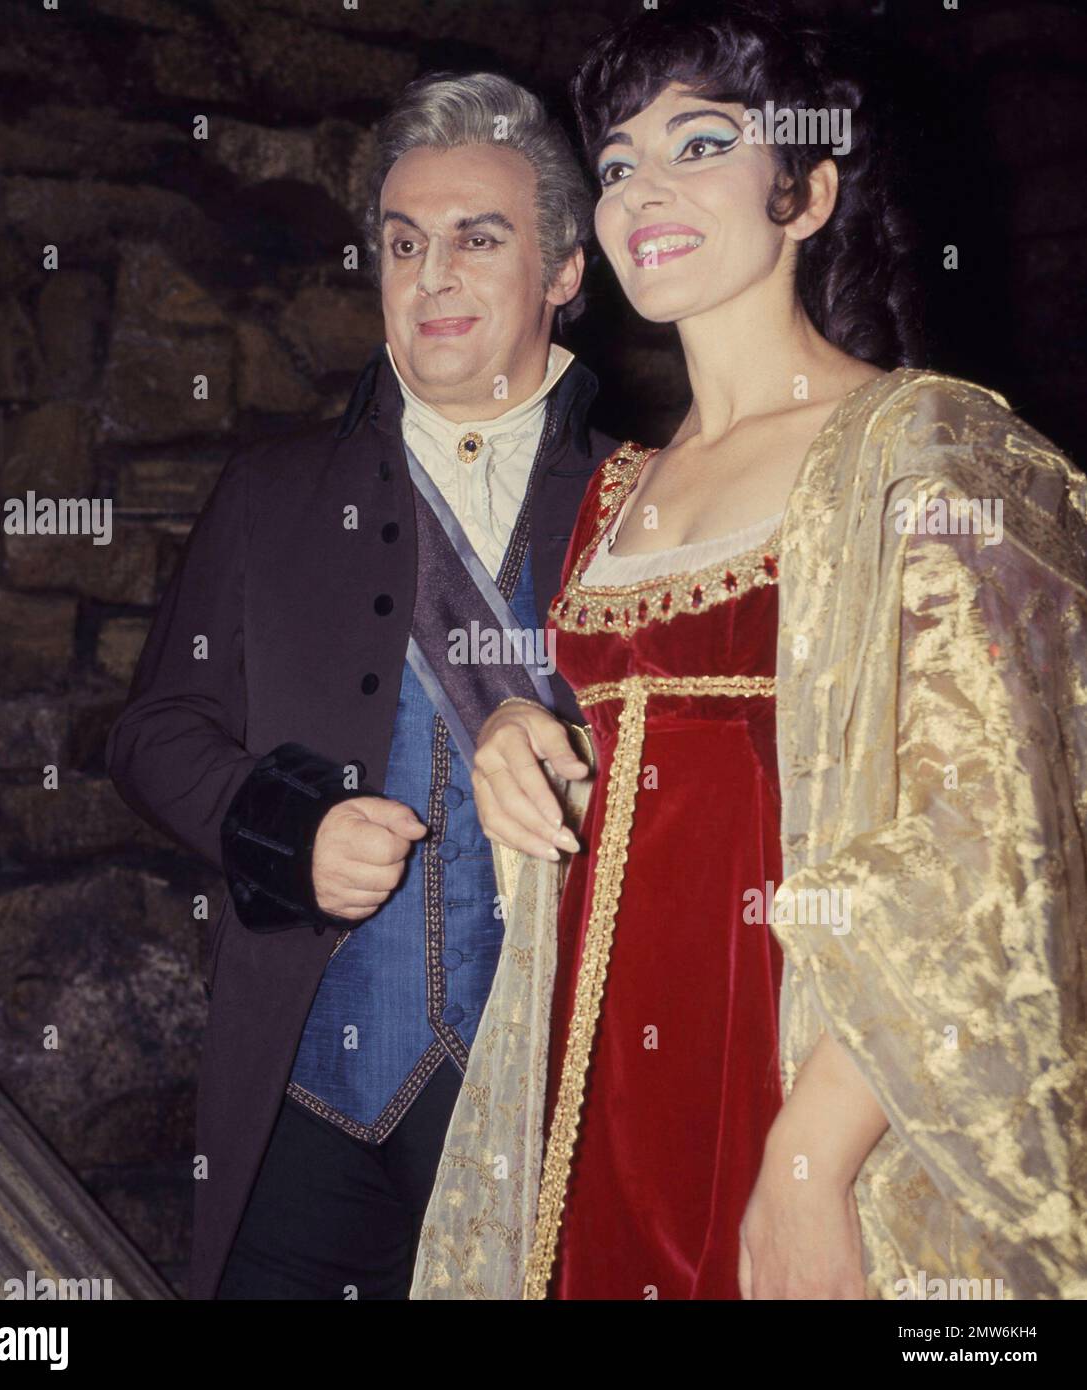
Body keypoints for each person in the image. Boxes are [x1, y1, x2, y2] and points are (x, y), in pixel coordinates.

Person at [411, 0, 1087, 1301]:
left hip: (810, 1083)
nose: (640, 192)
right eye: (614, 164)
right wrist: (525, 742)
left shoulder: (922, 450)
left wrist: (807, 1164)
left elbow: (988, 835)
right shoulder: (612, 495)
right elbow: (637, 786)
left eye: (699, 144)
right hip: (595, 1076)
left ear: (808, 188)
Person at [106, 71, 617, 1300]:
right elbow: (152, 735)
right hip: (302, 1109)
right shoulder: (270, 496)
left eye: (477, 239)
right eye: (402, 243)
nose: (431, 273)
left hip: (552, 1105)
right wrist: (288, 827)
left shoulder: (651, 499)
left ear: (563, 273)